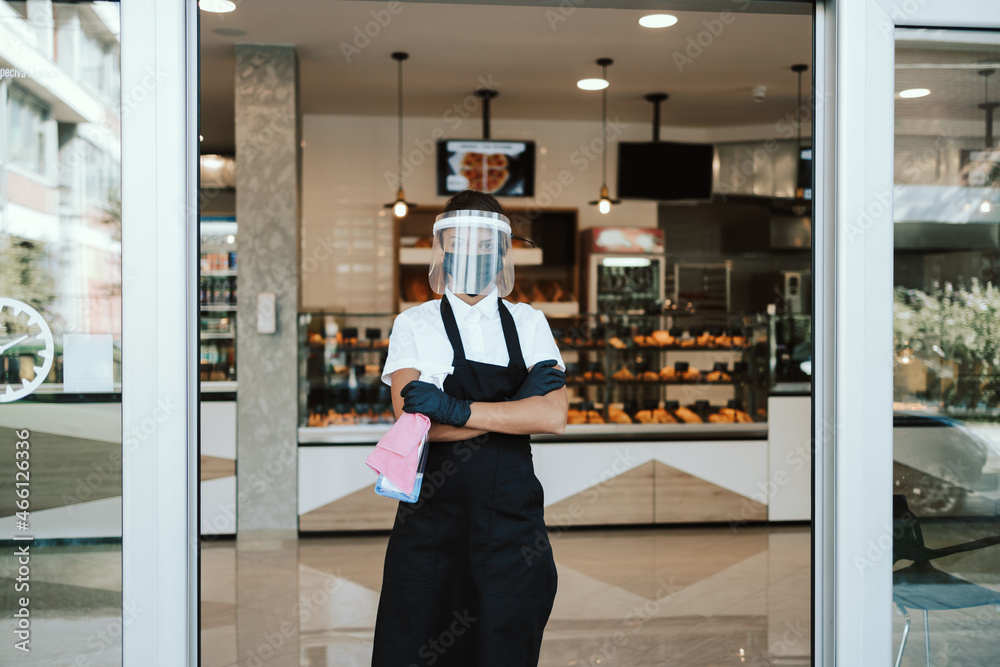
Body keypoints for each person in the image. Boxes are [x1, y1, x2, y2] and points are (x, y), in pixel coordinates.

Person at [371, 190, 568, 667]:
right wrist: (510, 410)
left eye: (487, 245)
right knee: (415, 644)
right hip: (433, 526)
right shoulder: (414, 322)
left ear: (503, 252)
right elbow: (410, 425)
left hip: (511, 527)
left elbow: (552, 416)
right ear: (442, 249)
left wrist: (450, 409)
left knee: (506, 644)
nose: (475, 254)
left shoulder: (529, 321)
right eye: (462, 242)